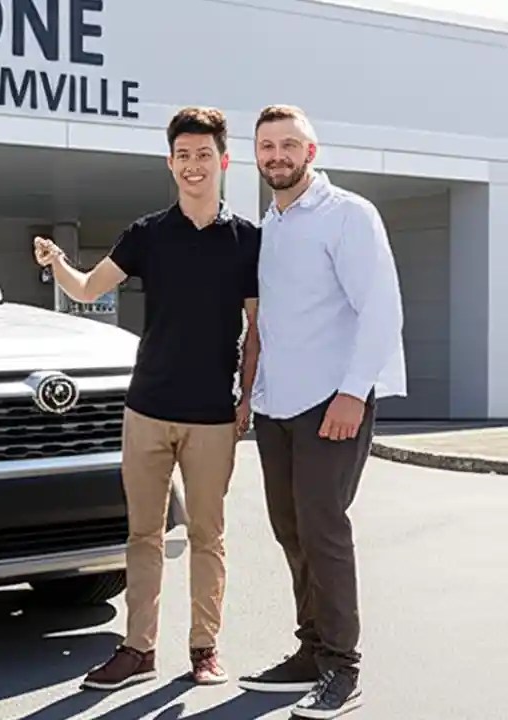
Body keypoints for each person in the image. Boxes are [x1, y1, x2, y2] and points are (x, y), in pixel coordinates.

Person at [34, 106, 261, 690]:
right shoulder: (147, 234)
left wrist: (246, 398)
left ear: (223, 161)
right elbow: (87, 289)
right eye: (183, 155)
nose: (192, 165)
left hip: (212, 415)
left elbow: (257, 329)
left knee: (207, 536)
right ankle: (138, 651)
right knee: (143, 536)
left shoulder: (247, 241)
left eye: (203, 154)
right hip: (147, 410)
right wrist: (58, 263)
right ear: (170, 162)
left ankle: (205, 648)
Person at [238, 104, 405, 719]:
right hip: (277, 406)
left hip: (331, 403)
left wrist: (354, 392)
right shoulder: (272, 224)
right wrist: (252, 395)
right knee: (291, 530)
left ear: (311, 152)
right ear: (256, 156)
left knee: (323, 530)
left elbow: (381, 308)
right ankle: (311, 651)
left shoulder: (348, 214)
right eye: (267, 146)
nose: (277, 155)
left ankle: (342, 666)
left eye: (289, 145)